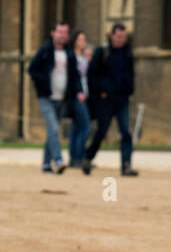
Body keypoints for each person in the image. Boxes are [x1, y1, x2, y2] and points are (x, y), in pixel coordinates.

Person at [82, 23, 138, 176]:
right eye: (119, 36)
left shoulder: (127, 53)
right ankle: (88, 157)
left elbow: (131, 73)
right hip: (106, 99)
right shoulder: (102, 52)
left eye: (124, 37)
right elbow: (91, 75)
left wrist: (129, 89)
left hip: (122, 98)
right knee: (102, 131)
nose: (122, 39)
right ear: (112, 35)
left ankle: (126, 165)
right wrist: (100, 92)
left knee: (125, 132)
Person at [28, 20, 79, 174]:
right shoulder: (45, 50)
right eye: (60, 32)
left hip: (61, 98)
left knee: (52, 130)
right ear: (53, 33)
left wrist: (78, 91)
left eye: (65, 32)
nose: (63, 35)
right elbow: (32, 70)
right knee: (54, 127)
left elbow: (75, 75)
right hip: (46, 97)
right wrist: (43, 82)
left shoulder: (69, 53)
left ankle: (45, 164)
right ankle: (58, 160)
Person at [69, 30, 91, 168]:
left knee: (77, 127)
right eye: (81, 39)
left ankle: (74, 158)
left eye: (85, 39)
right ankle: (78, 157)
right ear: (75, 41)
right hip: (78, 95)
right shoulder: (72, 57)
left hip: (84, 94)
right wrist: (78, 92)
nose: (84, 42)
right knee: (85, 125)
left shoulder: (82, 57)